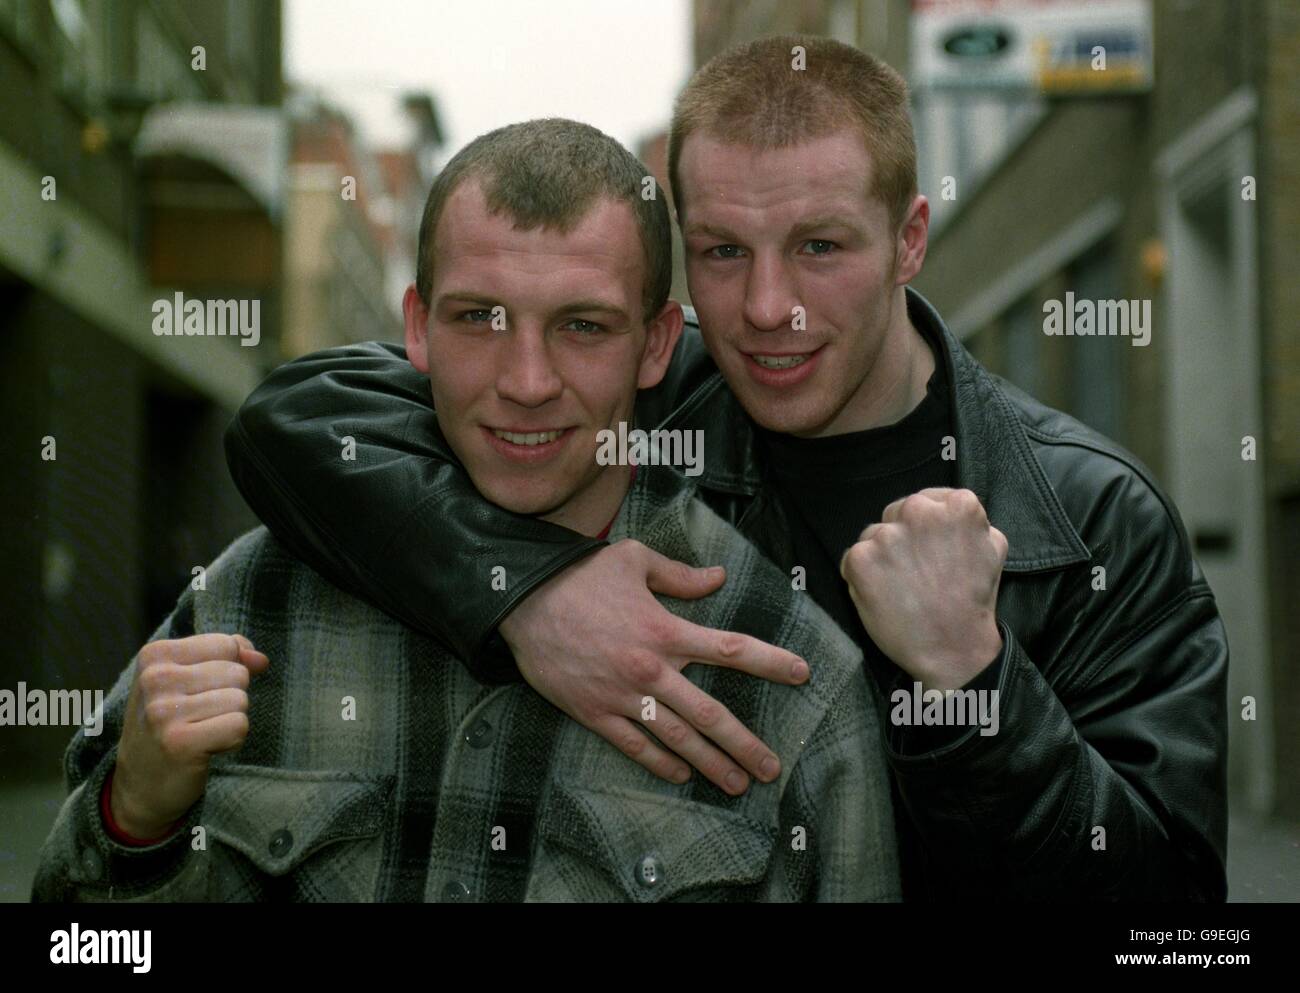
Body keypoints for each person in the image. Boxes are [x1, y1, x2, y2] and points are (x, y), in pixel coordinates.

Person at [223, 36, 1229, 900]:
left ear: (908, 239)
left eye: (819, 246)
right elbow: (298, 417)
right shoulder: (638, 390)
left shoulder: (1088, 519)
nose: (763, 308)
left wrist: (974, 685)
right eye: (720, 252)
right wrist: (523, 595)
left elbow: (1173, 920)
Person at [31, 118, 899, 903]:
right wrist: (133, 822)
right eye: (479, 318)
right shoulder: (254, 600)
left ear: (658, 344)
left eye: (583, 326)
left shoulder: (790, 679)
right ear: (415, 328)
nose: (525, 382)